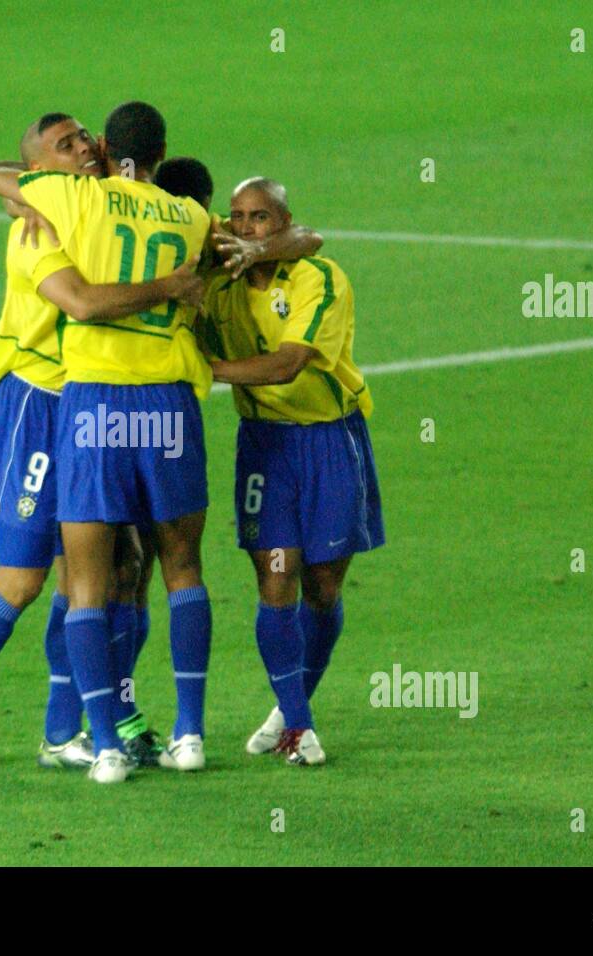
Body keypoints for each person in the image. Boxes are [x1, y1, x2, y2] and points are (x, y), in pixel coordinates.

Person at [0, 112, 201, 774]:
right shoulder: (36, 226)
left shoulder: (93, 213)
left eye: (84, 139)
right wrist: (168, 288)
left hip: (91, 406)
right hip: (33, 409)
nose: (84, 150)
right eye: (64, 146)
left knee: (102, 570)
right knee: (23, 576)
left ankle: (63, 731)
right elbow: (79, 301)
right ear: (42, 168)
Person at [200, 177, 385, 765]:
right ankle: (299, 727)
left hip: (330, 441)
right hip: (266, 449)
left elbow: (286, 366)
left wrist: (204, 371)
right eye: (236, 217)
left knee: (323, 587)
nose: (245, 226)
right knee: (275, 576)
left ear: (282, 224)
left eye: (259, 217)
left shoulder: (319, 279)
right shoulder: (220, 285)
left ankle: (290, 702)